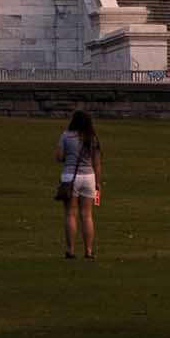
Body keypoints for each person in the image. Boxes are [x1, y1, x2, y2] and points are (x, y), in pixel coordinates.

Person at [58, 109, 101, 260]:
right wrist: (98, 183)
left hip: (70, 177)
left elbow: (59, 157)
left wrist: (69, 156)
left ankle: (71, 250)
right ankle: (89, 251)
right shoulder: (92, 137)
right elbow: (97, 163)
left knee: (70, 214)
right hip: (89, 177)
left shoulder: (66, 136)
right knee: (87, 215)